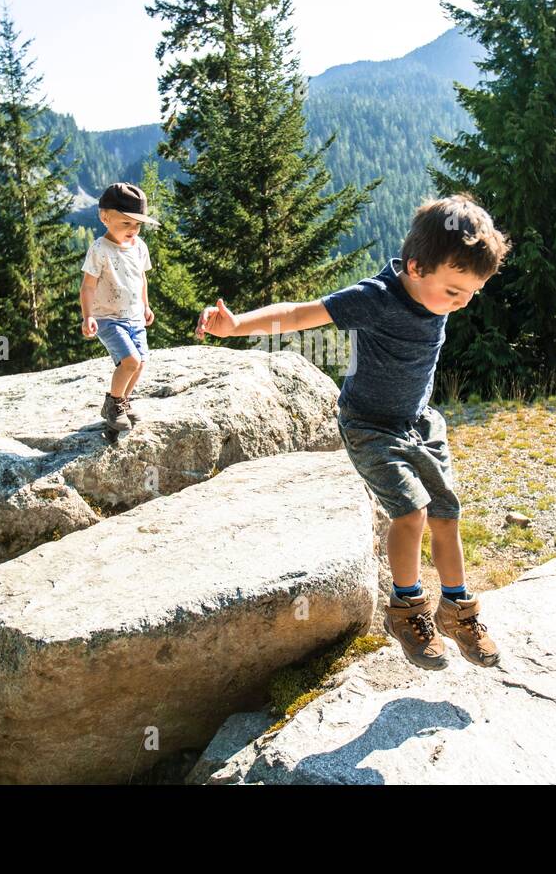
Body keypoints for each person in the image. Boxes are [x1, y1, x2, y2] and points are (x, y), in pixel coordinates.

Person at [195, 194, 512, 669]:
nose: (462, 303)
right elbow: (303, 315)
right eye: (453, 292)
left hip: (420, 421)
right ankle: (406, 610)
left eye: (472, 293)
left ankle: (458, 610)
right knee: (411, 514)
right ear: (415, 267)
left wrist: (451, 295)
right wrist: (236, 325)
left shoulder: (436, 286)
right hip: (369, 425)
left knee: (447, 515)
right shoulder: (376, 299)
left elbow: (448, 298)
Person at [81, 182, 158, 432]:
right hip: (108, 318)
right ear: (105, 217)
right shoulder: (100, 249)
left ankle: (123, 401)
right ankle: (113, 405)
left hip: (135, 317)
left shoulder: (139, 247)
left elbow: (141, 278)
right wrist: (87, 316)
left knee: (141, 362)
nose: (133, 230)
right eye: (126, 223)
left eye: (137, 224)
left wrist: (146, 306)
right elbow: (88, 287)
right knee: (130, 361)